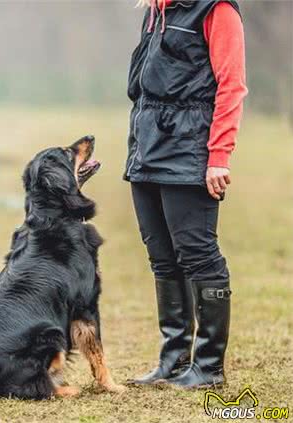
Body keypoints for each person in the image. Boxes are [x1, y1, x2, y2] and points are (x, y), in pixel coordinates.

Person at [124, 0, 248, 388]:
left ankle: (208, 367)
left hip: (189, 152)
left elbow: (232, 86)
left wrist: (219, 156)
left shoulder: (217, 10)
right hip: (145, 149)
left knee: (197, 254)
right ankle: (173, 360)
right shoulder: (154, 11)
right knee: (161, 258)